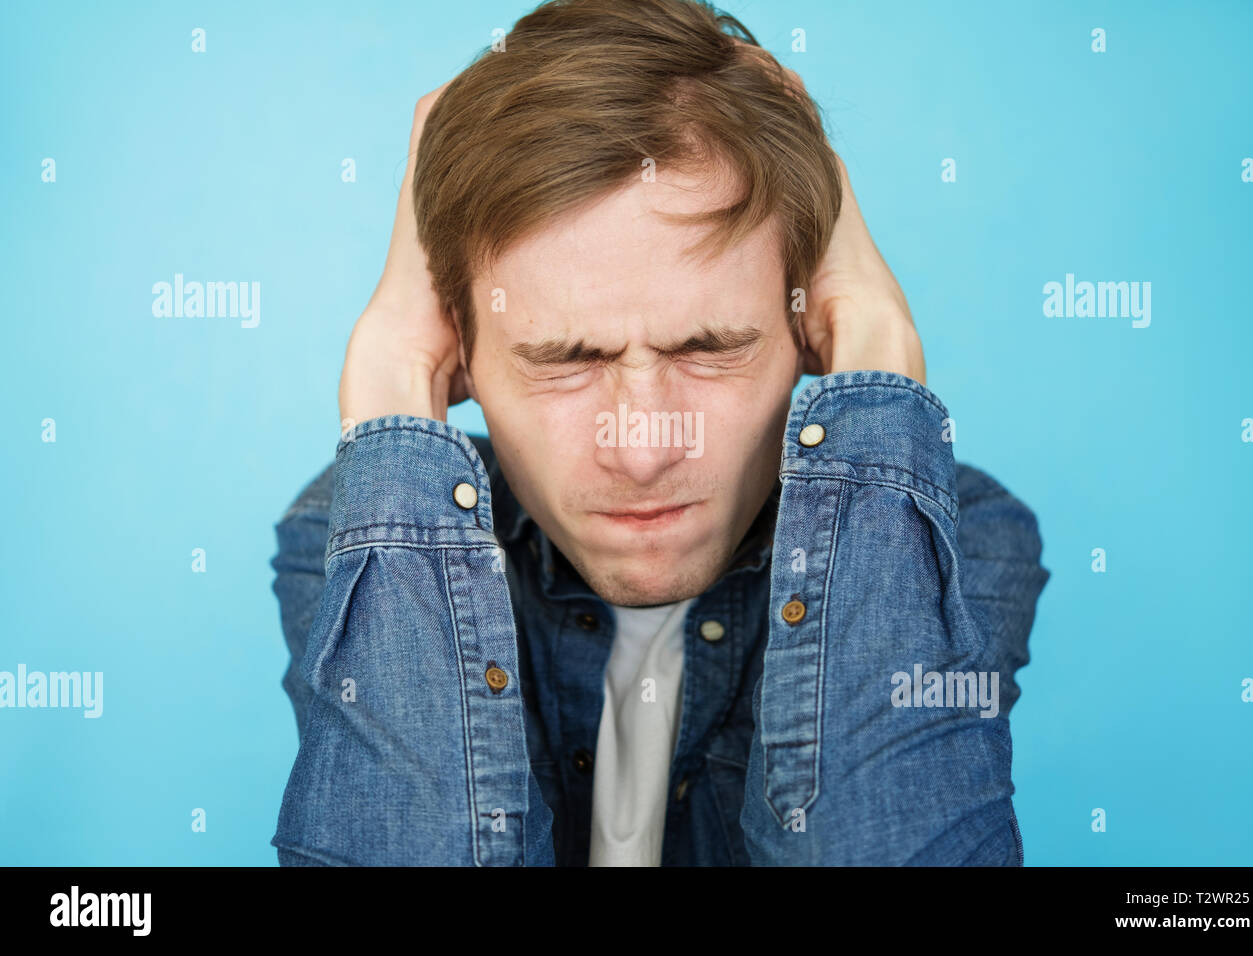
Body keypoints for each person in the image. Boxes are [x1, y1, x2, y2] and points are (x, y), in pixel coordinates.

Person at [270, 0, 1049, 866]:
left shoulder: (956, 540)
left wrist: (878, 341)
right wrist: (392, 372)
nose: (643, 450)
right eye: (565, 358)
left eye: (710, 348)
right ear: (461, 351)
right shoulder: (357, 537)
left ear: (807, 331)